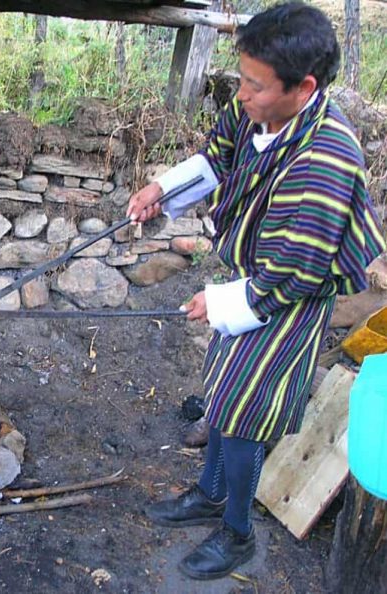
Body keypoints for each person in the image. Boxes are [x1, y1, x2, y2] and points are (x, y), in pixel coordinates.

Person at [126, 1, 386, 581]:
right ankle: (209, 492)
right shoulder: (258, 109)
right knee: (222, 392)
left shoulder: (327, 159)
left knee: (244, 414)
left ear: (305, 87)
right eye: (241, 77)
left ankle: (237, 532)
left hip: (290, 298)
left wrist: (218, 301)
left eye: (254, 84)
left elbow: (293, 272)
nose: (241, 94)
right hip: (255, 278)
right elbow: (218, 156)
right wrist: (159, 189)